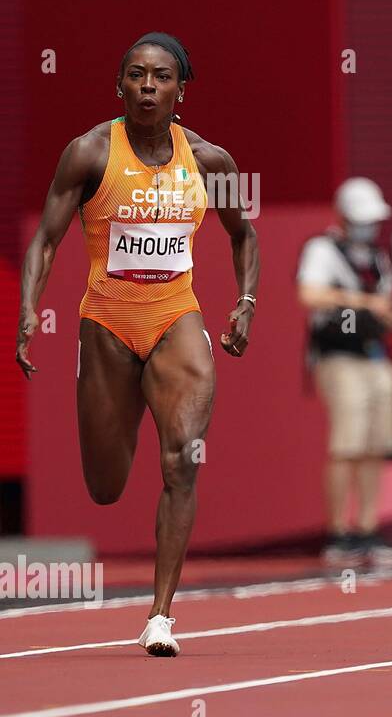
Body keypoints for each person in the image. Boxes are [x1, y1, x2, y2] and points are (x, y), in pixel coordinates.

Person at [16, 32, 260, 655]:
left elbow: (244, 235)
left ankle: (160, 616)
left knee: (183, 459)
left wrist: (245, 301)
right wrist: (27, 309)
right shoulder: (89, 153)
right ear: (118, 85)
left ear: (181, 90)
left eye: (161, 78)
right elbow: (46, 238)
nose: (148, 87)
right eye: (136, 76)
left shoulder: (211, 161)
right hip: (106, 323)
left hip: (177, 316)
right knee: (106, 484)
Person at [298, 177, 392, 567]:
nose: (368, 226)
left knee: (376, 444)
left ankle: (367, 529)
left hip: (375, 356)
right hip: (338, 357)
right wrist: (360, 301)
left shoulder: (377, 257)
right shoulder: (323, 249)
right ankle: (338, 533)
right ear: (343, 216)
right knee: (347, 444)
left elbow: (388, 304)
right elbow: (309, 294)